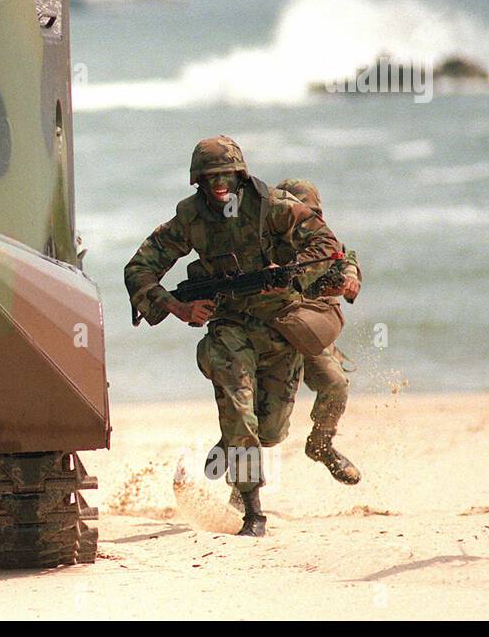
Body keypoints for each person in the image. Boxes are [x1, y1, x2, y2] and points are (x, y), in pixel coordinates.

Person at [124, 137, 339, 536]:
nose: (218, 184)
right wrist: (178, 307)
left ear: (239, 174)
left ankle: (231, 447)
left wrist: (292, 274)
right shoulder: (191, 218)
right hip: (229, 328)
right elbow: (139, 268)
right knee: (242, 416)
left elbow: (327, 245)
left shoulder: (273, 207)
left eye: (225, 175)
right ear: (198, 183)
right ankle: (252, 511)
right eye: (209, 178)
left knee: (270, 430)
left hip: (280, 326)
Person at [274, 179, 362, 485]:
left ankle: (321, 444)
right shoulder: (263, 243)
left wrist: (349, 279)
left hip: (308, 333)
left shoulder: (322, 241)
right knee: (263, 422)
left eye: (309, 214)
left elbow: (346, 258)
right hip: (270, 334)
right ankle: (242, 492)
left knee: (336, 384)